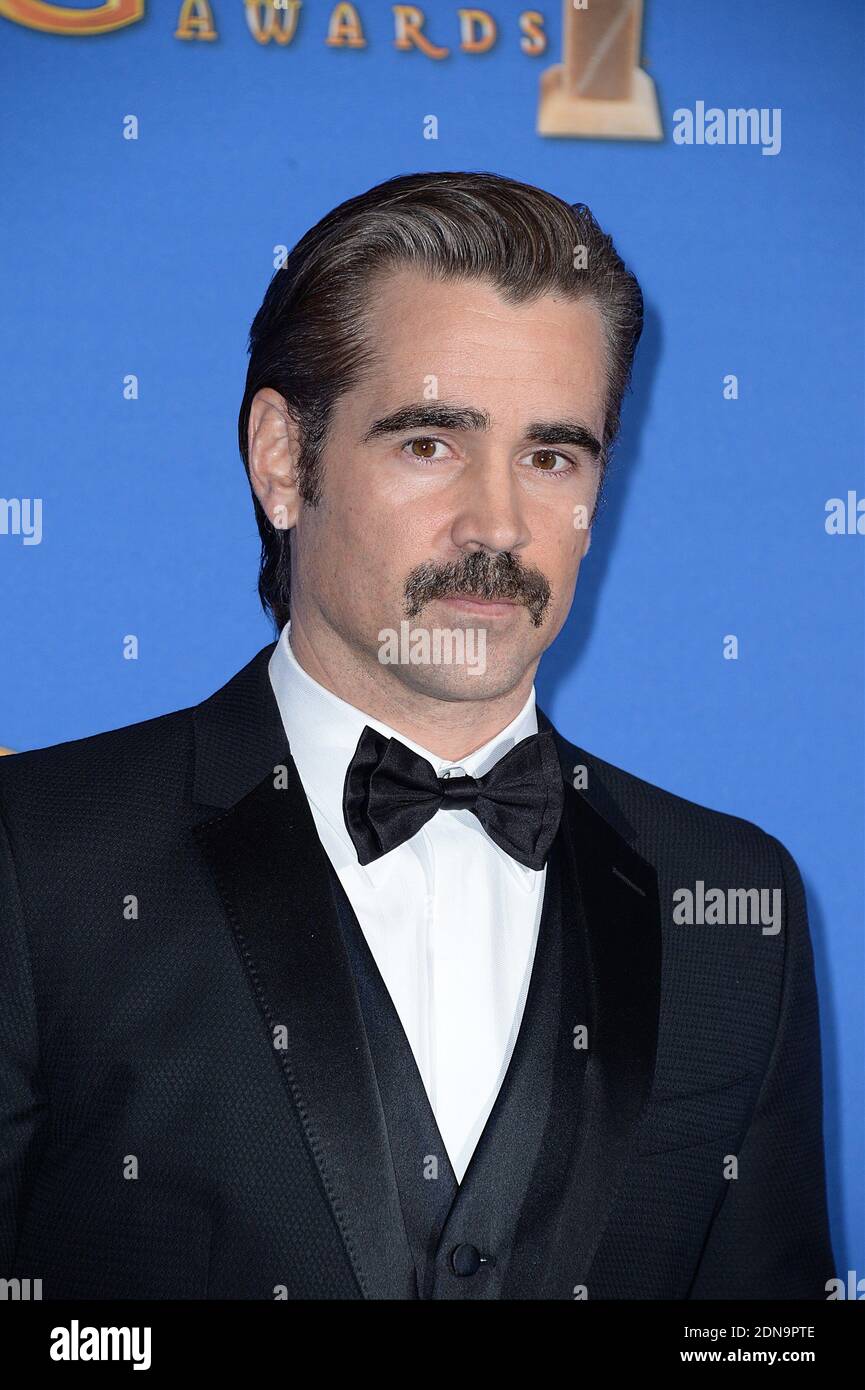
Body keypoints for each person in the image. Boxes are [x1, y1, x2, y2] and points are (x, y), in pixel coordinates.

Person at [0, 171, 835, 1299]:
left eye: (552, 456)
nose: (497, 524)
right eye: (431, 442)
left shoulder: (734, 902)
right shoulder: (38, 857)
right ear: (282, 461)